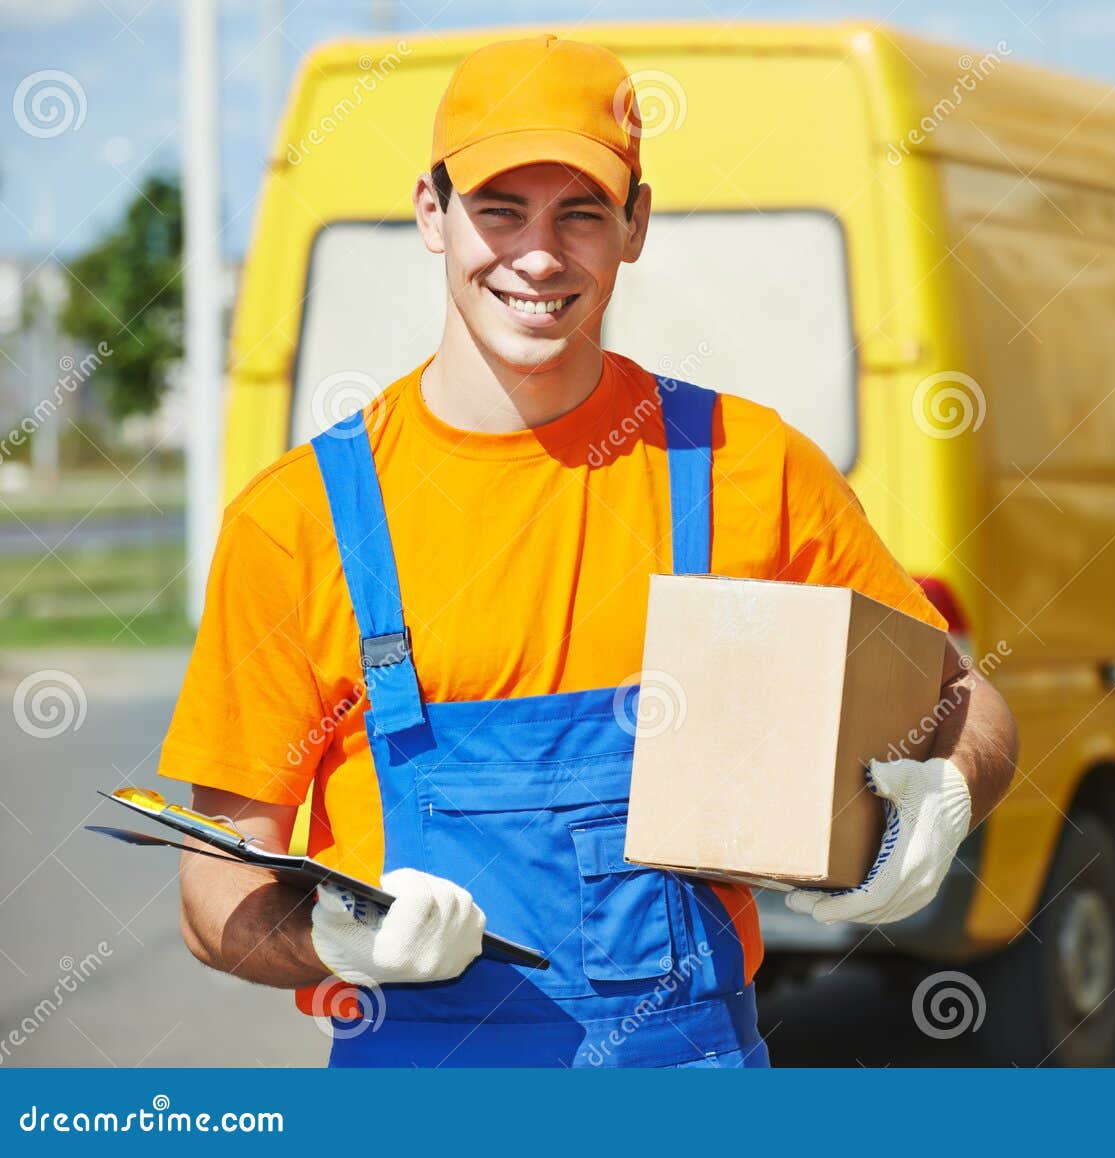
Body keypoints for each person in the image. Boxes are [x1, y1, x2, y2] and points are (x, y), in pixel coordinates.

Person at [163, 34, 1018, 1068]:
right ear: (431, 215)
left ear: (636, 226)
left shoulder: (748, 467)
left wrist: (952, 794)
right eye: (498, 209)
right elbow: (216, 892)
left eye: (579, 212)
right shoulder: (295, 522)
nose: (537, 254)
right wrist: (323, 938)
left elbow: (961, 695)